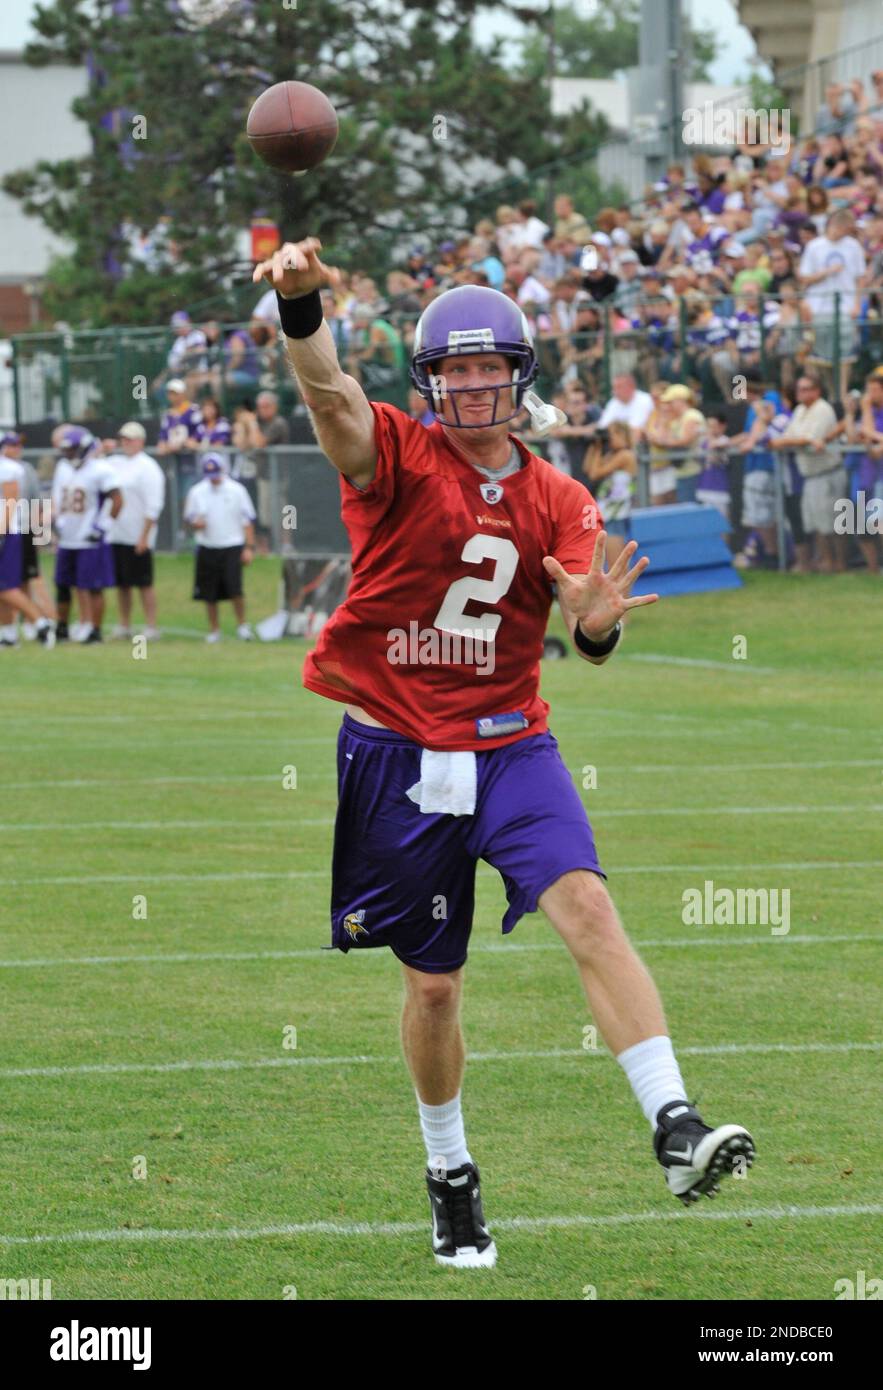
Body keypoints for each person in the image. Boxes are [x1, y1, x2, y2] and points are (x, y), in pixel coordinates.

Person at [252, 235, 755, 1268]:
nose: (475, 385)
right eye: (457, 369)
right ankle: (451, 1173)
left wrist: (600, 620)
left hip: (511, 741)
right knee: (434, 986)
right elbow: (332, 401)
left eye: (491, 367)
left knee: (589, 905)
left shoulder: (561, 498)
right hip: (398, 748)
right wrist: (301, 309)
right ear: (433, 380)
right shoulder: (394, 452)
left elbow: (587, 628)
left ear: (518, 376)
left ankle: (672, 1122)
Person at [51, 426, 122, 643]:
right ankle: (62, 628)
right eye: (67, 450)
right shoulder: (62, 467)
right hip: (67, 537)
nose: (69, 453)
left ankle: (95, 631)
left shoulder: (101, 469)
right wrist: (54, 523)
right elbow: (56, 498)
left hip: (90, 539)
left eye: (73, 449)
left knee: (92, 586)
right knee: (62, 585)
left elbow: (118, 500)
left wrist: (102, 527)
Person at [770, 373, 846, 572]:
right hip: (809, 474)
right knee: (814, 523)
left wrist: (785, 442)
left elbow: (807, 439)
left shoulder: (823, 409)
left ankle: (839, 563)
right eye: (798, 389)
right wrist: (789, 441)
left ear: (817, 391)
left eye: (805, 389)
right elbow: (791, 435)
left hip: (827, 472)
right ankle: (826, 562)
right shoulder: (801, 410)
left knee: (832, 522)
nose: (800, 393)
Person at [183, 453, 256, 642]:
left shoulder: (237, 490)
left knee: (235, 588)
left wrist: (248, 547)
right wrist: (195, 524)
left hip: (232, 544)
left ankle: (242, 625)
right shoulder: (197, 491)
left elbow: (247, 520)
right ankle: (214, 629)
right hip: (207, 545)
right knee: (209, 591)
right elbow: (189, 517)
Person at [105, 422, 166, 640]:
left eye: (130, 439)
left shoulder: (148, 467)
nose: (126, 443)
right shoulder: (114, 462)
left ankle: (151, 626)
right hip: (117, 533)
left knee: (144, 583)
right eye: (123, 439)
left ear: (141, 441)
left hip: (137, 533)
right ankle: (124, 624)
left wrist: (144, 536)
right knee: (122, 583)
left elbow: (153, 505)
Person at [0, 434, 56, 647]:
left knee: (7, 586)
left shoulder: (11, 469)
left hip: (12, 532)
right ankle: (8, 633)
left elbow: (12, 502)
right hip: (12, 530)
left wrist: (2, 533)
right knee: (3, 587)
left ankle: (41, 623)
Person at [583, 421, 636, 561]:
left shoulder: (625, 455)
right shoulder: (612, 455)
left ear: (621, 435)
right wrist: (595, 446)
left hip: (616, 513)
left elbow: (595, 474)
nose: (609, 437)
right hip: (606, 511)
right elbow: (588, 468)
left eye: (611, 434)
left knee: (616, 566)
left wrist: (599, 448)